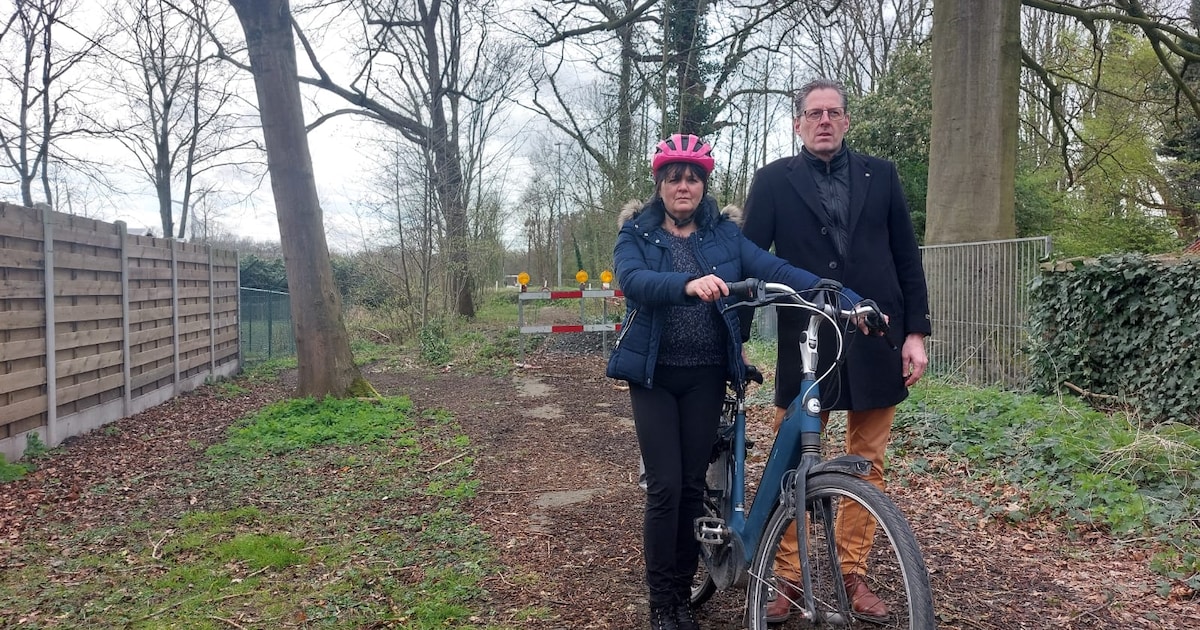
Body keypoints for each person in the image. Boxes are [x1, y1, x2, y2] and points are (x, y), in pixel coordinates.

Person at [607, 133, 882, 630]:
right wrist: (686, 284)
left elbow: (775, 267)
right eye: (674, 178)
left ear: (703, 185)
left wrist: (843, 296)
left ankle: (683, 601)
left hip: (706, 374)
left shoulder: (725, 236)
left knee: (691, 487)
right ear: (660, 185)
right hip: (653, 375)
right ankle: (663, 603)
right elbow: (633, 281)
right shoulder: (638, 236)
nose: (683, 186)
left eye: (693, 178)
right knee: (666, 487)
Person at [739, 78, 931, 623]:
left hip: (875, 331)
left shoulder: (883, 175)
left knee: (868, 461)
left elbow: (905, 256)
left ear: (847, 120)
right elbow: (749, 258)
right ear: (798, 122)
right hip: (805, 336)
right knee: (788, 460)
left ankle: (853, 575)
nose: (824, 120)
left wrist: (916, 333)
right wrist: (735, 338)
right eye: (813, 113)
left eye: (834, 112)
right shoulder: (774, 181)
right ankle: (791, 580)